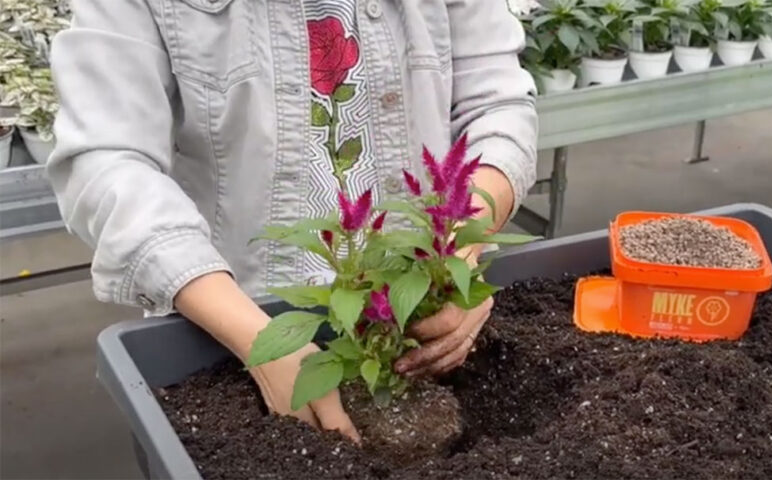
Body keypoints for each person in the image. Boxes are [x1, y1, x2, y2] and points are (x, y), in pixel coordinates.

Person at [48, 0, 537, 442]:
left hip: (408, 321)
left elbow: (496, 107)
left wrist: (459, 260)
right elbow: (106, 161)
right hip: (233, 323)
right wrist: (261, 345)